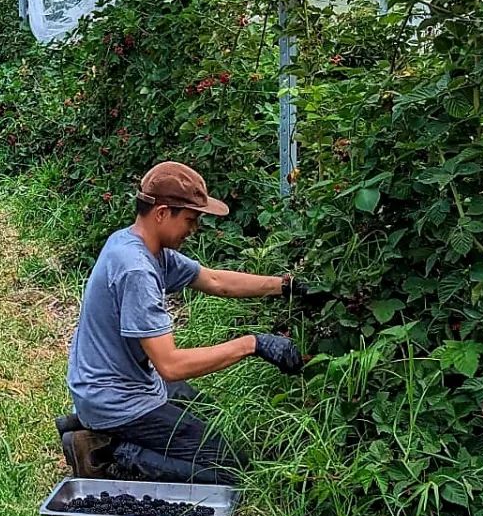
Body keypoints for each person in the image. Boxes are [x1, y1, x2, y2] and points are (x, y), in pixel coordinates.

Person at [58, 160, 319, 485]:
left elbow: (215, 280)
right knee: (232, 469)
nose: (193, 230)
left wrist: (286, 286)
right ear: (162, 213)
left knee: (220, 423)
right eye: (190, 220)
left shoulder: (137, 245)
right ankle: (110, 452)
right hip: (115, 400)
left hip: (126, 386)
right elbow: (171, 365)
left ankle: (92, 428)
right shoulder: (136, 269)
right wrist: (252, 344)